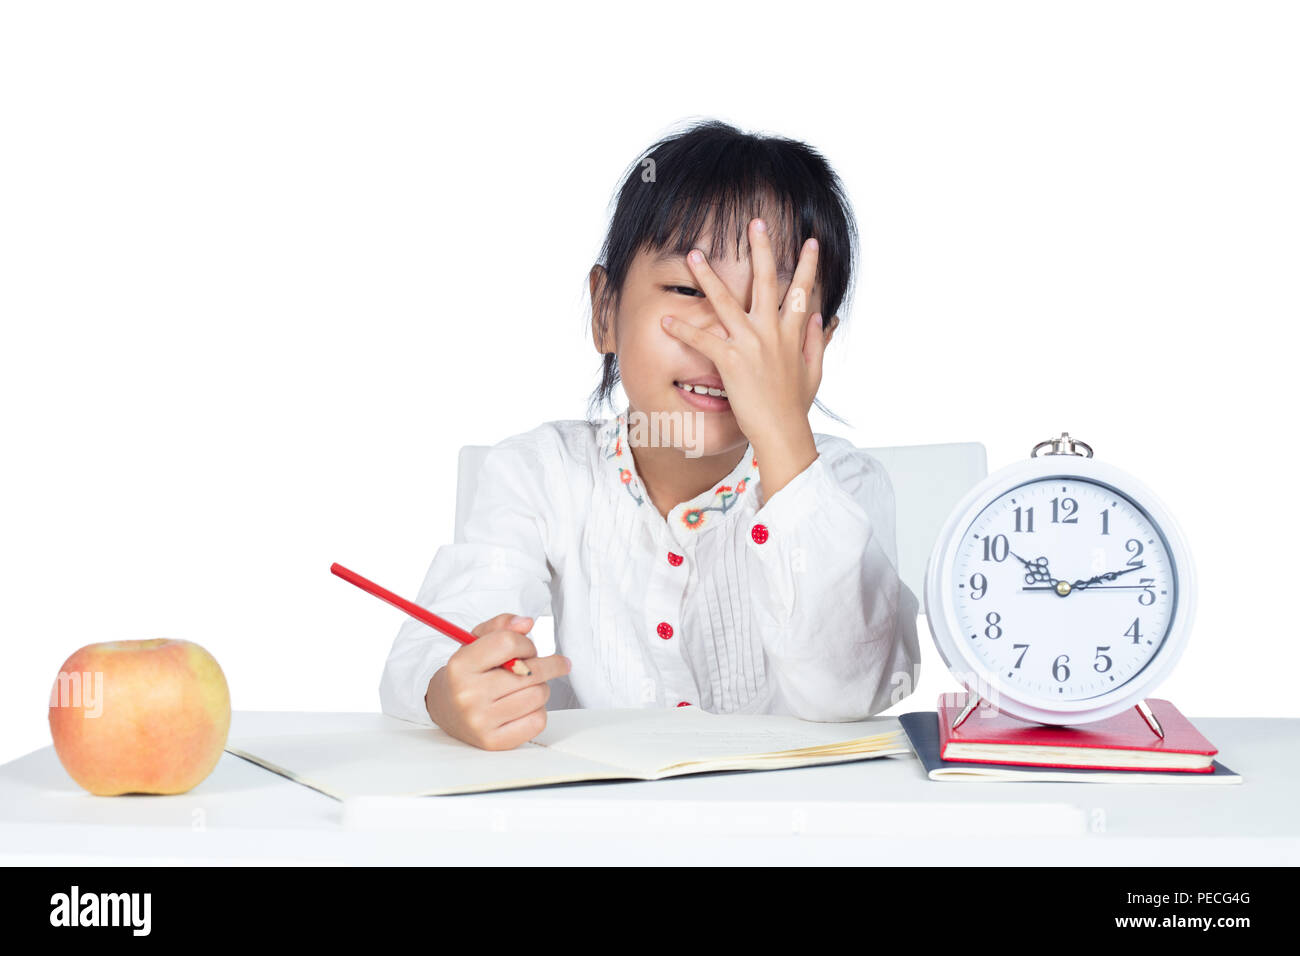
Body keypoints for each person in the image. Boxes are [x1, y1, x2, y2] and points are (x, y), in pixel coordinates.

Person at [379, 118, 921, 750]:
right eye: (690, 289)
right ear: (605, 311)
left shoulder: (844, 487)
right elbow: (430, 646)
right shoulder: (541, 473)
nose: (727, 338)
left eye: (772, 311)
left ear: (817, 345)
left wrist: (782, 436)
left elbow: (849, 692)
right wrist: (451, 689)